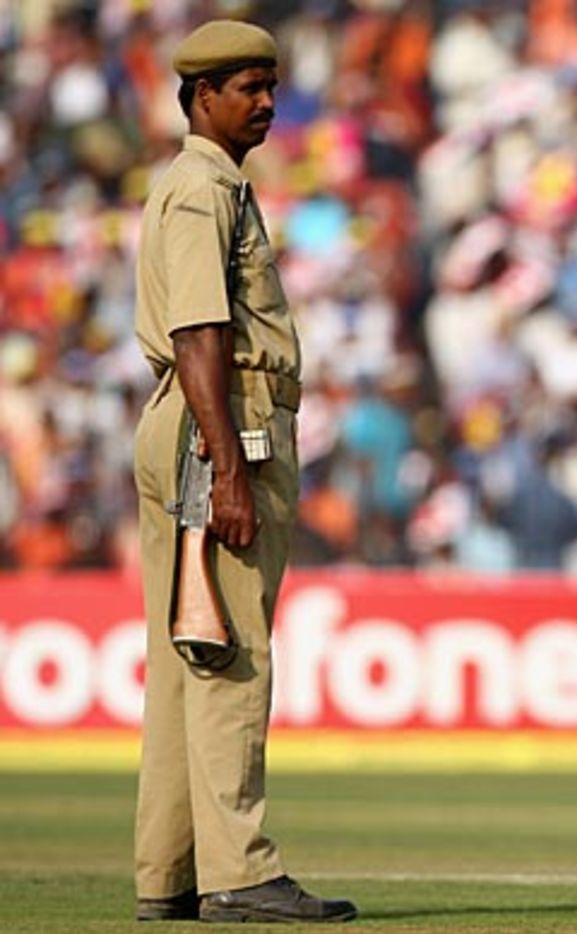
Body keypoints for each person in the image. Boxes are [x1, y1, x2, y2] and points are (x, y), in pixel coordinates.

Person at [131, 20, 356, 924]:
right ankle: (240, 871)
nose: (266, 102)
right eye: (247, 88)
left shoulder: (206, 185)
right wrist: (227, 463)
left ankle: (170, 874)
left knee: (186, 653)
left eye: (270, 85)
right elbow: (200, 331)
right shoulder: (202, 189)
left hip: (195, 418)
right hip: (223, 421)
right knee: (229, 650)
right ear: (200, 98)